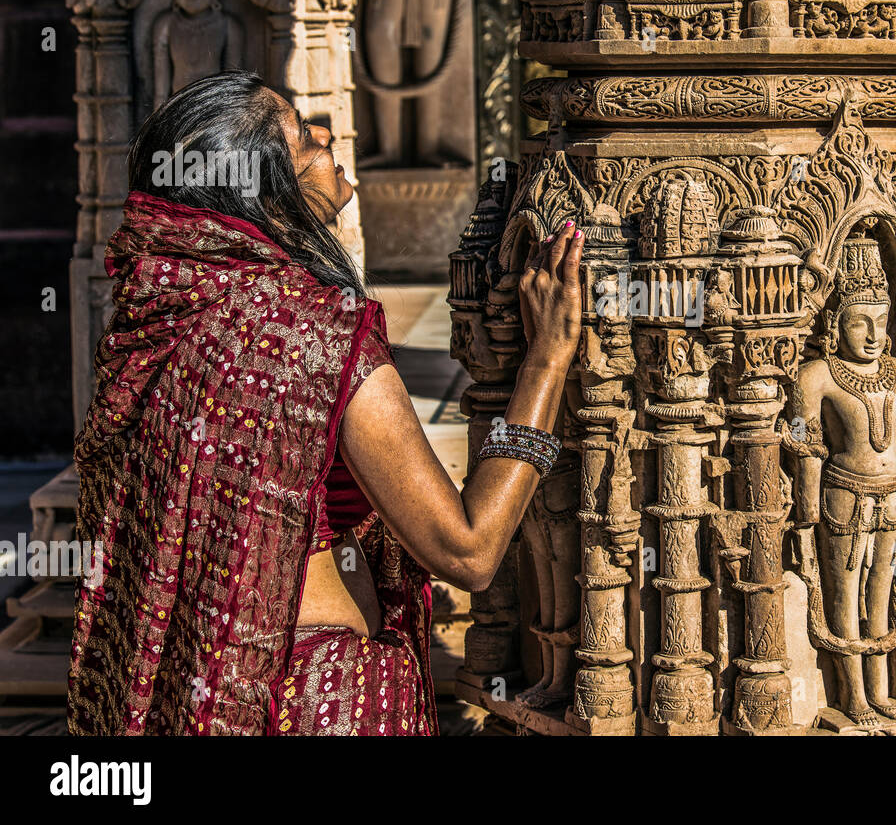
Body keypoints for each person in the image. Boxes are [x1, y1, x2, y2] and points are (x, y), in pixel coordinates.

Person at [67, 70, 583, 735]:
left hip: (210, 701)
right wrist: (545, 362)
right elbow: (468, 551)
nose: (325, 135)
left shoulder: (154, 324)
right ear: (264, 191)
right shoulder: (314, 335)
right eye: (301, 134)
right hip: (319, 700)